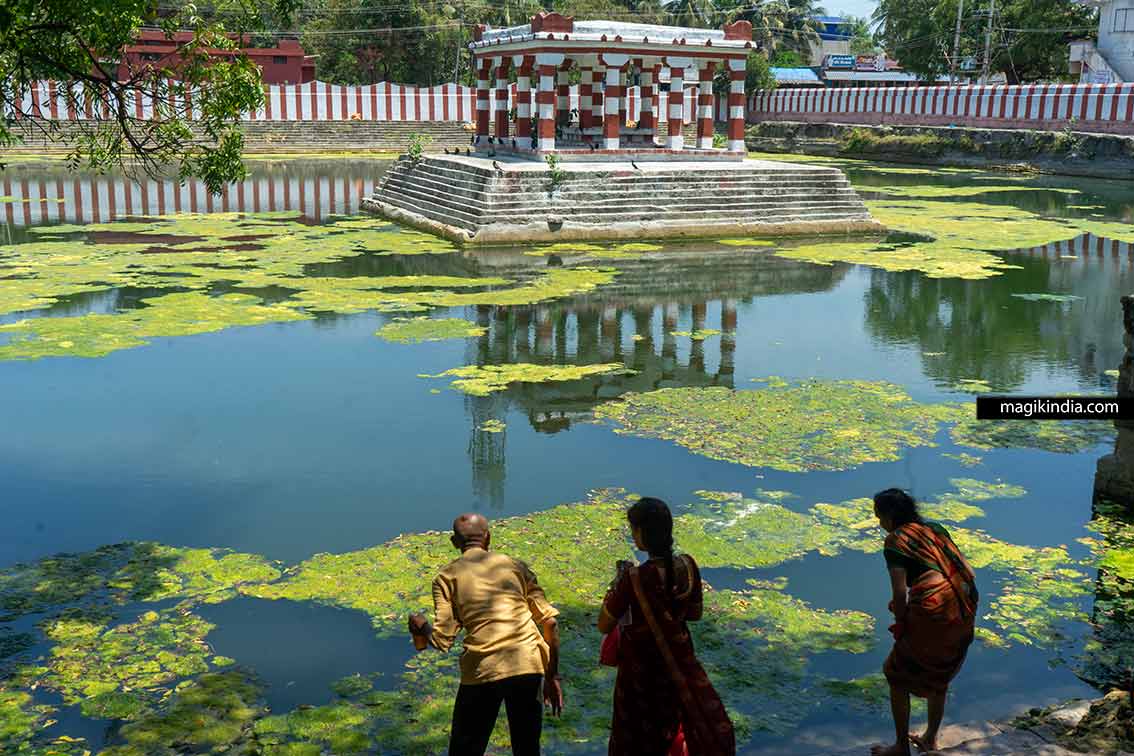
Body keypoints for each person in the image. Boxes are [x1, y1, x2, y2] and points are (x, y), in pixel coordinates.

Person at [408, 513, 563, 756]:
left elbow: (442, 640)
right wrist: (552, 676)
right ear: (488, 538)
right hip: (527, 664)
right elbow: (550, 623)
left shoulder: (446, 577)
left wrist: (420, 624)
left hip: (482, 668)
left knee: (465, 750)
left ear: (454, 542)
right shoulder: (514, 566)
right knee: (527, 749)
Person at [597, 497, 735, 756]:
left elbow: (604, 625)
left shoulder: (635, 577)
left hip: (640, 676)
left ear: (641, 533)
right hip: (675, 669)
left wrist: (615, 588)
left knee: (636, 739)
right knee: (669, 730)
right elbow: (694, 614)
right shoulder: (688, 566)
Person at [870, 489, 979, 756]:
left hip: (934, 612)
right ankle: (930, 737)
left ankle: (900, 746)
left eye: (879, 517)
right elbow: (961, 566)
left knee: (895, 675)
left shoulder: (896, 540)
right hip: (964, 605)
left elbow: (899, 592)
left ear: (890, 516)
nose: (879, 524)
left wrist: (902, 621)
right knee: (939, 672)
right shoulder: (935, 529)